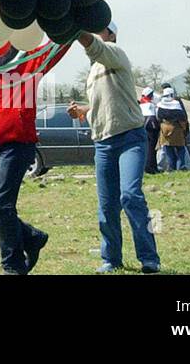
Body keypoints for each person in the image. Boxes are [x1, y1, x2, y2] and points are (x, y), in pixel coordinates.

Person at [0, 39, 69, 275]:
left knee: (2, 205)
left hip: (18, 146)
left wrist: (74, 19)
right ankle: (31, 237)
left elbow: (57, 45)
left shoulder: (28, 64)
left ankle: (13, 266)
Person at [67, 22, 160, 273]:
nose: (96, 33)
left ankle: (149, 258)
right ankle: (111, 259)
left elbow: (93, 45)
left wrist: (72, 26)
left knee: (130, 195)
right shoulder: (93, 71)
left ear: (111, 34)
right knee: (107, 205)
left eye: (100, 29)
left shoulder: (115, 53)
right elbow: (103, 100)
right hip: (103, 142)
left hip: (130, 137)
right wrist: (83, 110)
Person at [155, 86, 190, 172]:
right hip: (176, 128)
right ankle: (181, 166)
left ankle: (171, 167)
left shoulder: (160, 105)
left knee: (168, 149)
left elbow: (158, 117)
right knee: (180, 148)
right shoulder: (176, 104)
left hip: (165, 129)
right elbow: (182, 117)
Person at [139, 86, 160, 174]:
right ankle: (150, 167)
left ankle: (151, 166)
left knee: (146, 148)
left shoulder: (140, 104)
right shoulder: (151, 105)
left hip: (142, 126)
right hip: (151, 127)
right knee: (151, 148)